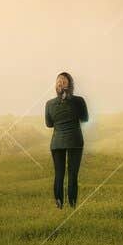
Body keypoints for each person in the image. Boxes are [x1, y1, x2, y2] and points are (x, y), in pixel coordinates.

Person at [44, 72, 87, 208]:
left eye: (61, 81)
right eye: (59, 81)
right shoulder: (78, 101)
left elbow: (49, 124)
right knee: (72, 175)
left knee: (59, 174)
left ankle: (59, 205)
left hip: (57, 142)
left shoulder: (50, 104)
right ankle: (72, 205)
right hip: (75, 140)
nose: (60, 83)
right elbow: (85, 118)